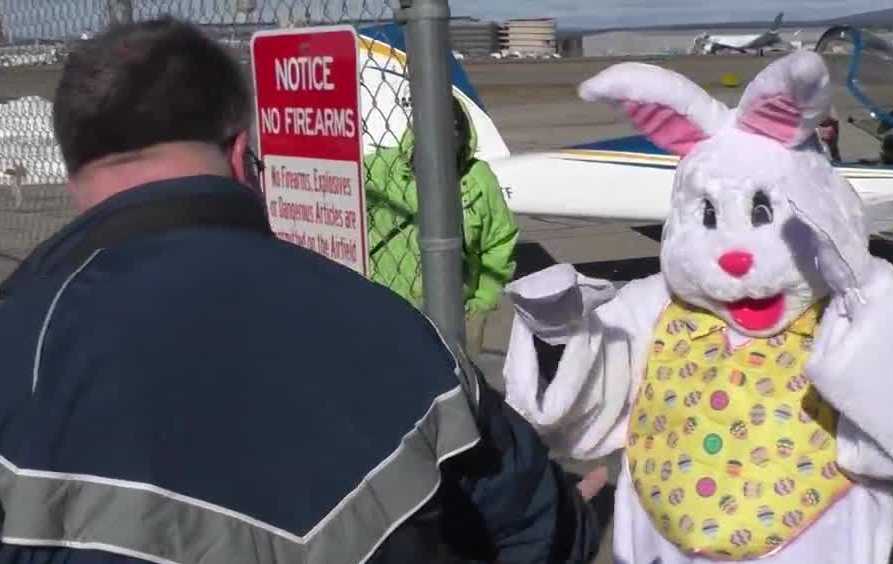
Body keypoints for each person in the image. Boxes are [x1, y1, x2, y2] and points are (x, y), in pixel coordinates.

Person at [0, 17, 599, 563]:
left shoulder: (21, 338)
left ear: (74, 175)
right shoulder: (392, 329)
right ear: (241, 154)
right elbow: (537, 525)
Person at [365, 97, 519, 356]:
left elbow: (499, 241)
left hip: (451, 314)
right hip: (384, 306)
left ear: (462, 139)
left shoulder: (478, 179)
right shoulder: (379, 169)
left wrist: (482, 303)